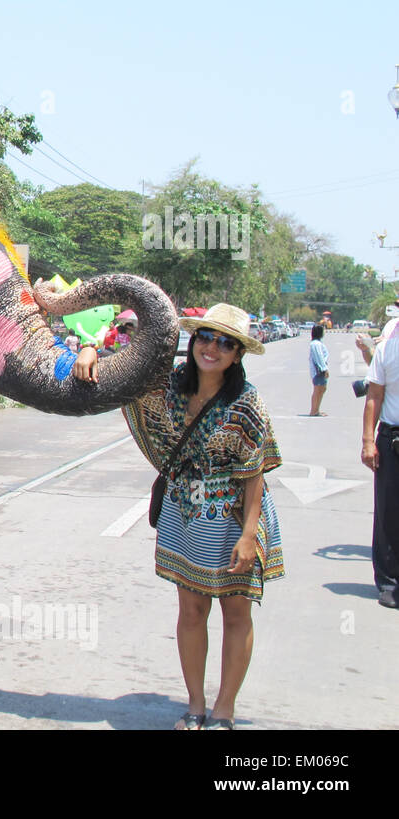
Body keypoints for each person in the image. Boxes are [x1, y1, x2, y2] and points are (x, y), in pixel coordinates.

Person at [75, 303, 283, 730]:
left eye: (226, 343)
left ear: (238, 354)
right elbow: (120, 376)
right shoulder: (169, 387)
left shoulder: (246, 403)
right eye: (206, 337)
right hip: (184, 515)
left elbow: (255, 476)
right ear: (194, 341)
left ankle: (224, 709)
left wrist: (248, 536)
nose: (213, 348)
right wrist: (90, 350)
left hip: (232, 517)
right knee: (191, 611)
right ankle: (195, 704)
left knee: (236, 613)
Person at [361, 320, 399, 609]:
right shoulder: (387, 349)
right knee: (388, 513)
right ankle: (389, 583)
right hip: (392, 439)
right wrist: (368, 441)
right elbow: (374, 396)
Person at [308, 323, 329, 416]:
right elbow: (319, 357)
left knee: (322, 389)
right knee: (318, 389)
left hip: (320, 369)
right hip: (318, 370)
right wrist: (324, 369)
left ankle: (317, 409)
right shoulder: (315, 344)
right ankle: (313, 410)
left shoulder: (317, 343)